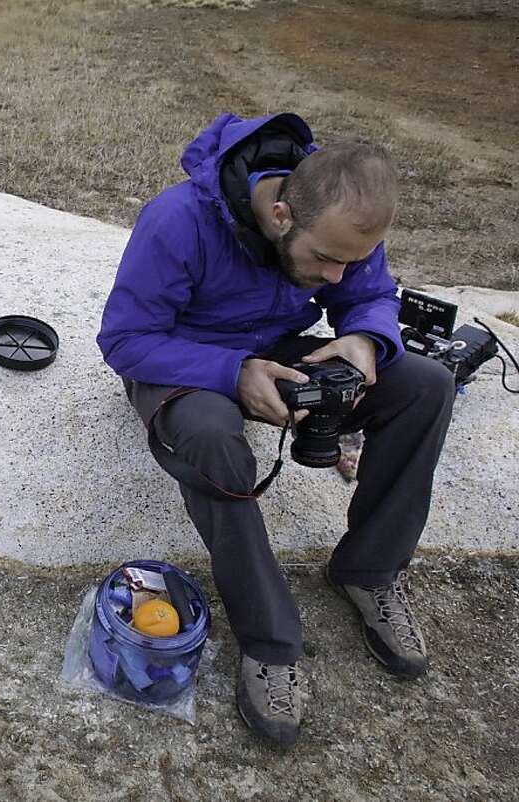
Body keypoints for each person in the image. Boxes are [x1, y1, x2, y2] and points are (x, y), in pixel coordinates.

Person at [97, 113, 455, 746]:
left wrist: (367, 339)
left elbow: (371, 297)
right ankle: (270, 640)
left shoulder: (339, 220)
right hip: (179, 356)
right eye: (325, 260)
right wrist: (231, 373)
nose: (338, 276)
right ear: (283, 215)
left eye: (354, 260)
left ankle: (368, 572)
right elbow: (127, 339)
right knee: (210, 433)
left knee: (427, 384)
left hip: (278, 345)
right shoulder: (178, 220)